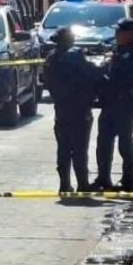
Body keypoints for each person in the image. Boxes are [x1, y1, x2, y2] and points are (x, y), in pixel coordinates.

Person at [92, 18, 133, 192]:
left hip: (126, 102)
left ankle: (128, 180)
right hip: (110, 102)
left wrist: (113, 64)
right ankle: (103, 177)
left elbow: (131, 75)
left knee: (124, 142)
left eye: (120, 32)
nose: (117, 36)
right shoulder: (115, 51)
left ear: (129, 34)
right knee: (103, 142)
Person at [44, 27, 101, 194]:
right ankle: (83, 183)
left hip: (61, 109)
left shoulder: (51, 58)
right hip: (79, 109)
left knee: (63, 148)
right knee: (79, 149)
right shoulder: (74, 55)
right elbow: (93, 72)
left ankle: (64, 184)